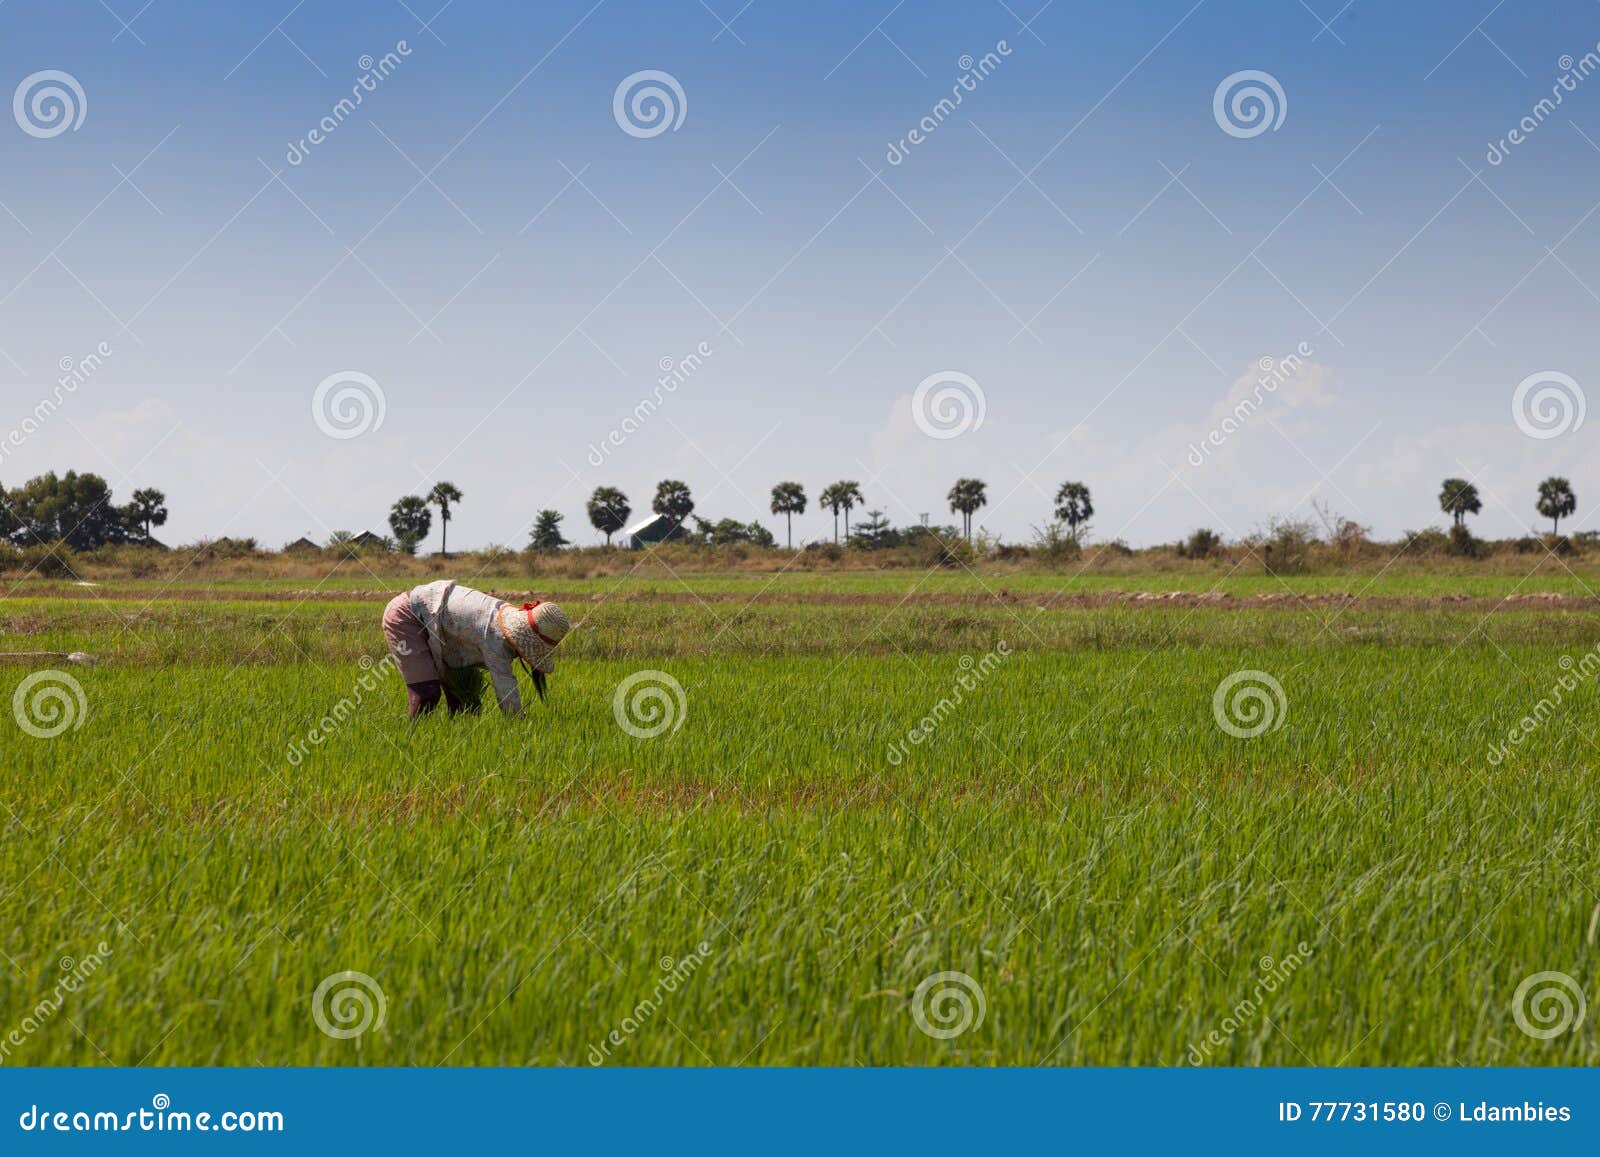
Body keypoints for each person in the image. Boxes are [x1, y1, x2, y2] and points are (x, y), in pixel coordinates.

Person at [381, 579, 570, 718]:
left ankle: (445, 744)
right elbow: (505, 686)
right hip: (408, 616)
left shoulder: (505, 616)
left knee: (466, 707)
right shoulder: (497, 636)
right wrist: (520, 725)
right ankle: (412, 743)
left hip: (436, 622)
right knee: (427, 694)